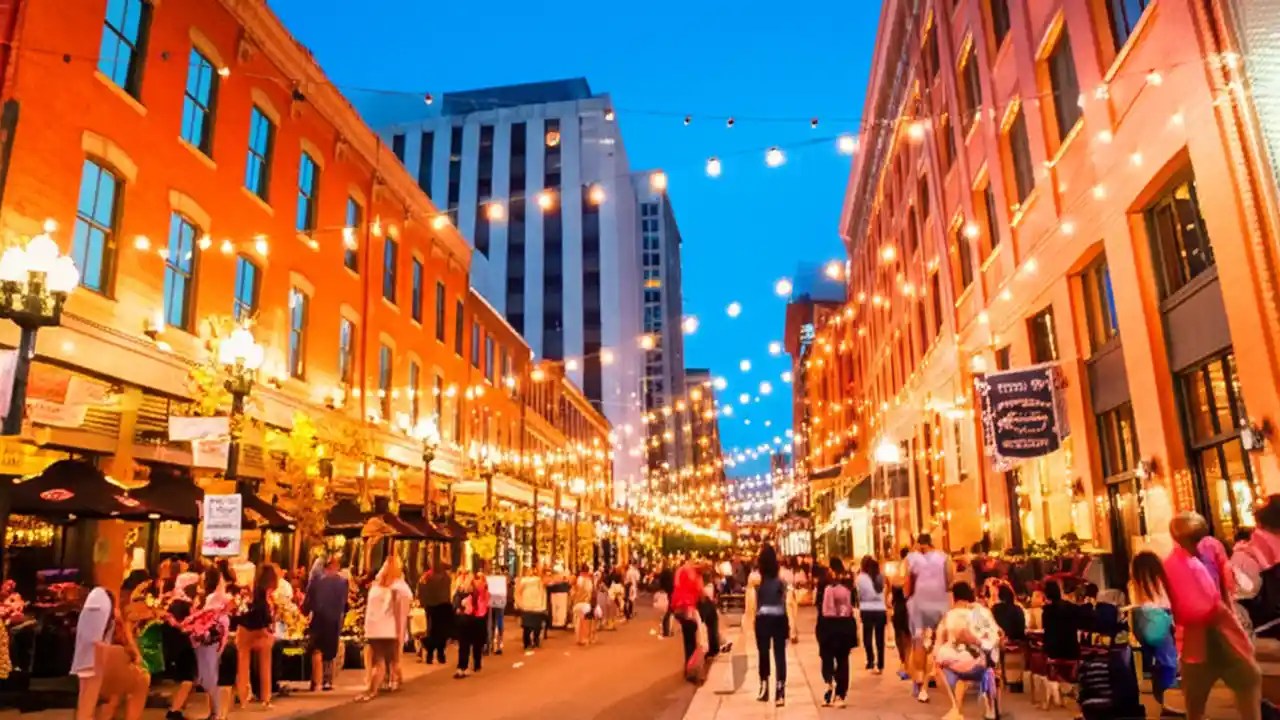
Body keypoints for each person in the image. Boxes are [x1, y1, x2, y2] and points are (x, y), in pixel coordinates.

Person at [1164, 512, 1261, 720]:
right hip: (1198, 637)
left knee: (1248, 679)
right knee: (1196, 697)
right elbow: (1187, 607)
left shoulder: (1210, 547)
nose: (1195, 544)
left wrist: (1229, 606)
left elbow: (1225, 576)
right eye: (1191, 539)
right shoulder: (1174, 564)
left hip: (1220, 631)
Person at [932, 581, 1000, 720]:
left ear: (953, 597)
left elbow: (938, 643)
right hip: (986, 661)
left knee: (938, 661)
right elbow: (997, 634)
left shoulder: (950, 616)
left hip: (961, 664)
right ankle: (991, 709)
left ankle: (955, 707)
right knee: (988, 667)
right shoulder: (982, 612)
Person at [1127, 551, 1182, 717]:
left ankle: (1162, 699)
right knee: (1167, 662)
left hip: (1142, 626)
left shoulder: (1134, 585)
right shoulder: (1162, 583)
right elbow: (1169, 604)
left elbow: (1136, 606)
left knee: (1156, 664)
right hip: (1161, 624)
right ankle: (1169, 699)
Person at [905, 533, 952, 703]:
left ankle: (919, 678)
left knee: (918, 641)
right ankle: (932, 675)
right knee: (936, 641)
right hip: (939, 605)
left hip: (919, 605)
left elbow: (907, 583)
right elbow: (949, 581)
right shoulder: (944, 558)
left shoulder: (912, 558)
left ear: (919, 544)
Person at [357, 558, 406, 701]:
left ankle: (373, 688)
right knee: (385, 661)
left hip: (373, 628)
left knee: (378, 660)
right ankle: (374, 689)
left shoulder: (374, 588)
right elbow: (398, 611)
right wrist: (399, 631)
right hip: (388, 629)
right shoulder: (396, 588)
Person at [234, 564, 278, 710]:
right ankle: (266, 698)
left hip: (244, 629)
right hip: (260, 630)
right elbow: (265, 615)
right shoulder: (265, 594)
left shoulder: (250, 589)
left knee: (243, 665)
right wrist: (268, 630)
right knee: (265, 663)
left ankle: (243, 699)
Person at [302, 554, 347, 692]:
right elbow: (344, 603)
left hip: (318, 618)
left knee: (317, 650)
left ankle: (317, 682)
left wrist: (305, 612)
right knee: (330, 651)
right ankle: (327, 680)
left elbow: (307, 601)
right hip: (334, 619)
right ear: (336, 566)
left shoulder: (315, 581)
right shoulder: (343, 582)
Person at [817, 558, 857, 708]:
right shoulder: (848, 583)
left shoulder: (824, 584)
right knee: (842, 660)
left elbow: (819, 606)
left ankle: (829, 685)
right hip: (844, 624)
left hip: (827, 624)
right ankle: (840, 694)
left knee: (827, 657)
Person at [754, 544, 789, 706]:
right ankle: (780, 690)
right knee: (780, 654)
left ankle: (764, 686)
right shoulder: (780, 581)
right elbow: (784, 602)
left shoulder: (757, 580)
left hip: (762, 618)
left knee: (763, 653)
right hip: (779, 618)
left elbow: (754, 604)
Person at [162, 576, 199, 720]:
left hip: (175, 647)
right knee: (187, 679)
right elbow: (185, 626)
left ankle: (177, 706)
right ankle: (174, 710)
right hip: (183, 647)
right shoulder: (184, 605)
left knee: (186, 680)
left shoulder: (174, 603)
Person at [1039, 579, 1079, 709]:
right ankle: (1063, 691)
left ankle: (1050, 699)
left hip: (1054, 650)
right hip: (1072, 648)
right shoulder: (1070, 607)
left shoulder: (1047, 611)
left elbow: (1046, 630)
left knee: (1045, 667)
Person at [672, 557, 704, 679]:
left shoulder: (680, 571)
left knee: (687, 638)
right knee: (692, 639)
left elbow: (676, 585)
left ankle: (688, 666)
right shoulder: (696, 576)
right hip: (689, 608)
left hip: (679, 607)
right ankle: (691, 669)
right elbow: (700, 592)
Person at [454, 572, 489, 678]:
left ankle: (462, 667)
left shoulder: (463, 589)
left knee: (465, 645)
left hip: (467, 618)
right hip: (477, 619)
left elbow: (458, 603)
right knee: (476, 643)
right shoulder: (482, 590)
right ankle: (475, 664)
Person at [417, 562, 453, 664]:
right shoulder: (446, 578)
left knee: (432, 630)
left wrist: (424, 603)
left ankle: (430, 655)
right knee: (441, 632)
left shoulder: (426, 577)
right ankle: (440, 655)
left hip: (430, 607)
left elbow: (421, 590)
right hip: (442, 607)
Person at [857, 555, 888, 674]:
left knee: (867, 637)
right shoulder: (880, 577)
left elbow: (859, 595)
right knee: (880, 639)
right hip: (880, 609)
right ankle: (880, 665)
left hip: (867, 609)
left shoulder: (861, 578)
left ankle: (870, 660)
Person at [889, 547, 912, 681]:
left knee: (901, 637)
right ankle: (909, 664)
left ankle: (904, 663)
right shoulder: (913, 571)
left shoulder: (897, 573)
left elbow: (891, 592)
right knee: (909, 638)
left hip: (899, 607)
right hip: (909, 607)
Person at [515, 566, 547, 650]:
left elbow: (543, 587)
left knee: (537, 627)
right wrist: (519, 604)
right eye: (528, 570)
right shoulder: (522, 581)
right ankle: (527, 643)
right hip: (527, 607)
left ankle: (536, 640)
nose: (530, 572)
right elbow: (517, 592)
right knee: (527, 627)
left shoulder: (537, 580)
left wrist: (543, 605)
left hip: (537, 607)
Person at [570, 565, 596, 646]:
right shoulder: (589, 581)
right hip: (586, 604)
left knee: (579, 622)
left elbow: (572, 594)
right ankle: (586, 639)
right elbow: (592, 593)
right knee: (587, 623)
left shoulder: (578, 580)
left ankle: (580, 639)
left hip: (578, 604)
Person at [486, 572, 507, 655]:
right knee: (499, 624)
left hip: (491, 603)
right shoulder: (502, 581)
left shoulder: (490, 581)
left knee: (492, 625)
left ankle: (491, 645)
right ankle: (498, 645)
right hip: (500, 604)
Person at [657, 562, 675, 637]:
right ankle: (668, 631)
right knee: (669, 613)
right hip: (671, 593)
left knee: (667, 613)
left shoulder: (662, 575)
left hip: (665, 592)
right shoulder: (670, 574)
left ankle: (666, 630)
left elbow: (660, 584)